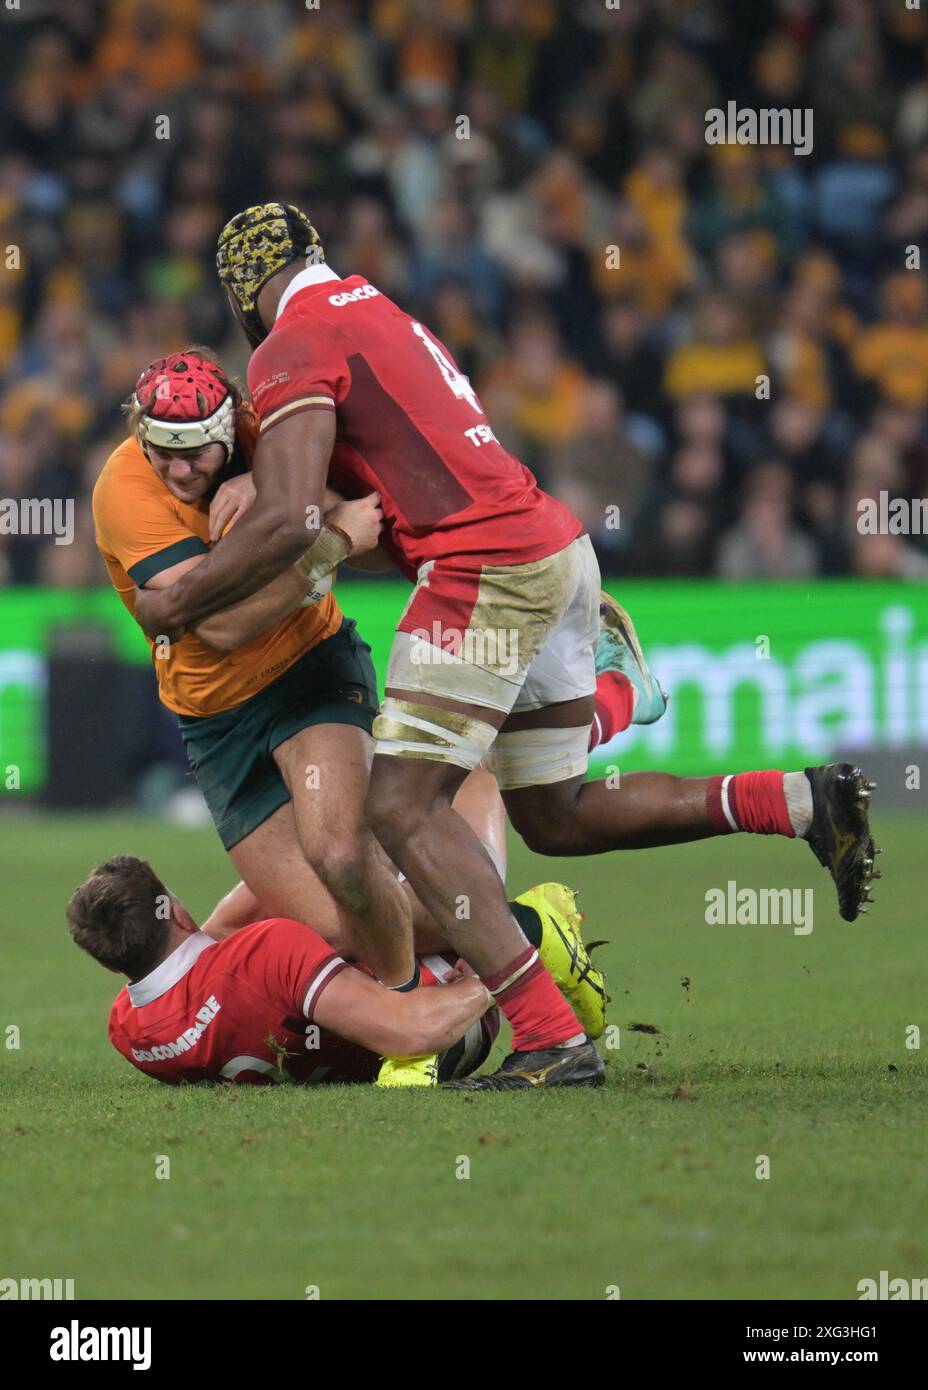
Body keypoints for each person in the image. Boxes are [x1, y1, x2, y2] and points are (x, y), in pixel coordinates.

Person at [134, 204, 878, 1091]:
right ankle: (797, 801)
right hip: (553, 546)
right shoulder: (375, 307)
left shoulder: (289, 342)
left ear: (240, 292)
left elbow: (292, 517)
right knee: (555, 814)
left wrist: (180, 600)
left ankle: (550, 1036)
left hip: (480, 567)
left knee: (400, 806)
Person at [66, 855, 498, 1088]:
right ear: (178, 913)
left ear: (108, 962)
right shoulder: (263, 952)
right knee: (462, 806)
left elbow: (214, 950)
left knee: (312, 887)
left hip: (337, 1043)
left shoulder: (128, 1032)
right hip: (446, 1018)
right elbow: (409, 1032)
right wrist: (494, 974)